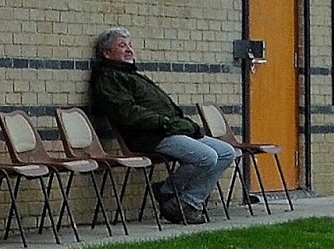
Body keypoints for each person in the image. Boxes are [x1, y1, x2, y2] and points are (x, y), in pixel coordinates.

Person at [89, 26, 237, 224]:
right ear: (107, 53)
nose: (129, 49)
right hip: (151, 136)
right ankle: (178, 198)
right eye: (122, 45)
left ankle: (179, 198)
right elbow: (128, 113)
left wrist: (176, 124)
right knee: (207, 157)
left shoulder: (131, 75)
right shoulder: (108, 79)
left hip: (169, 130)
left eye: (130, 45)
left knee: (227, 152)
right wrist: (166, 123)